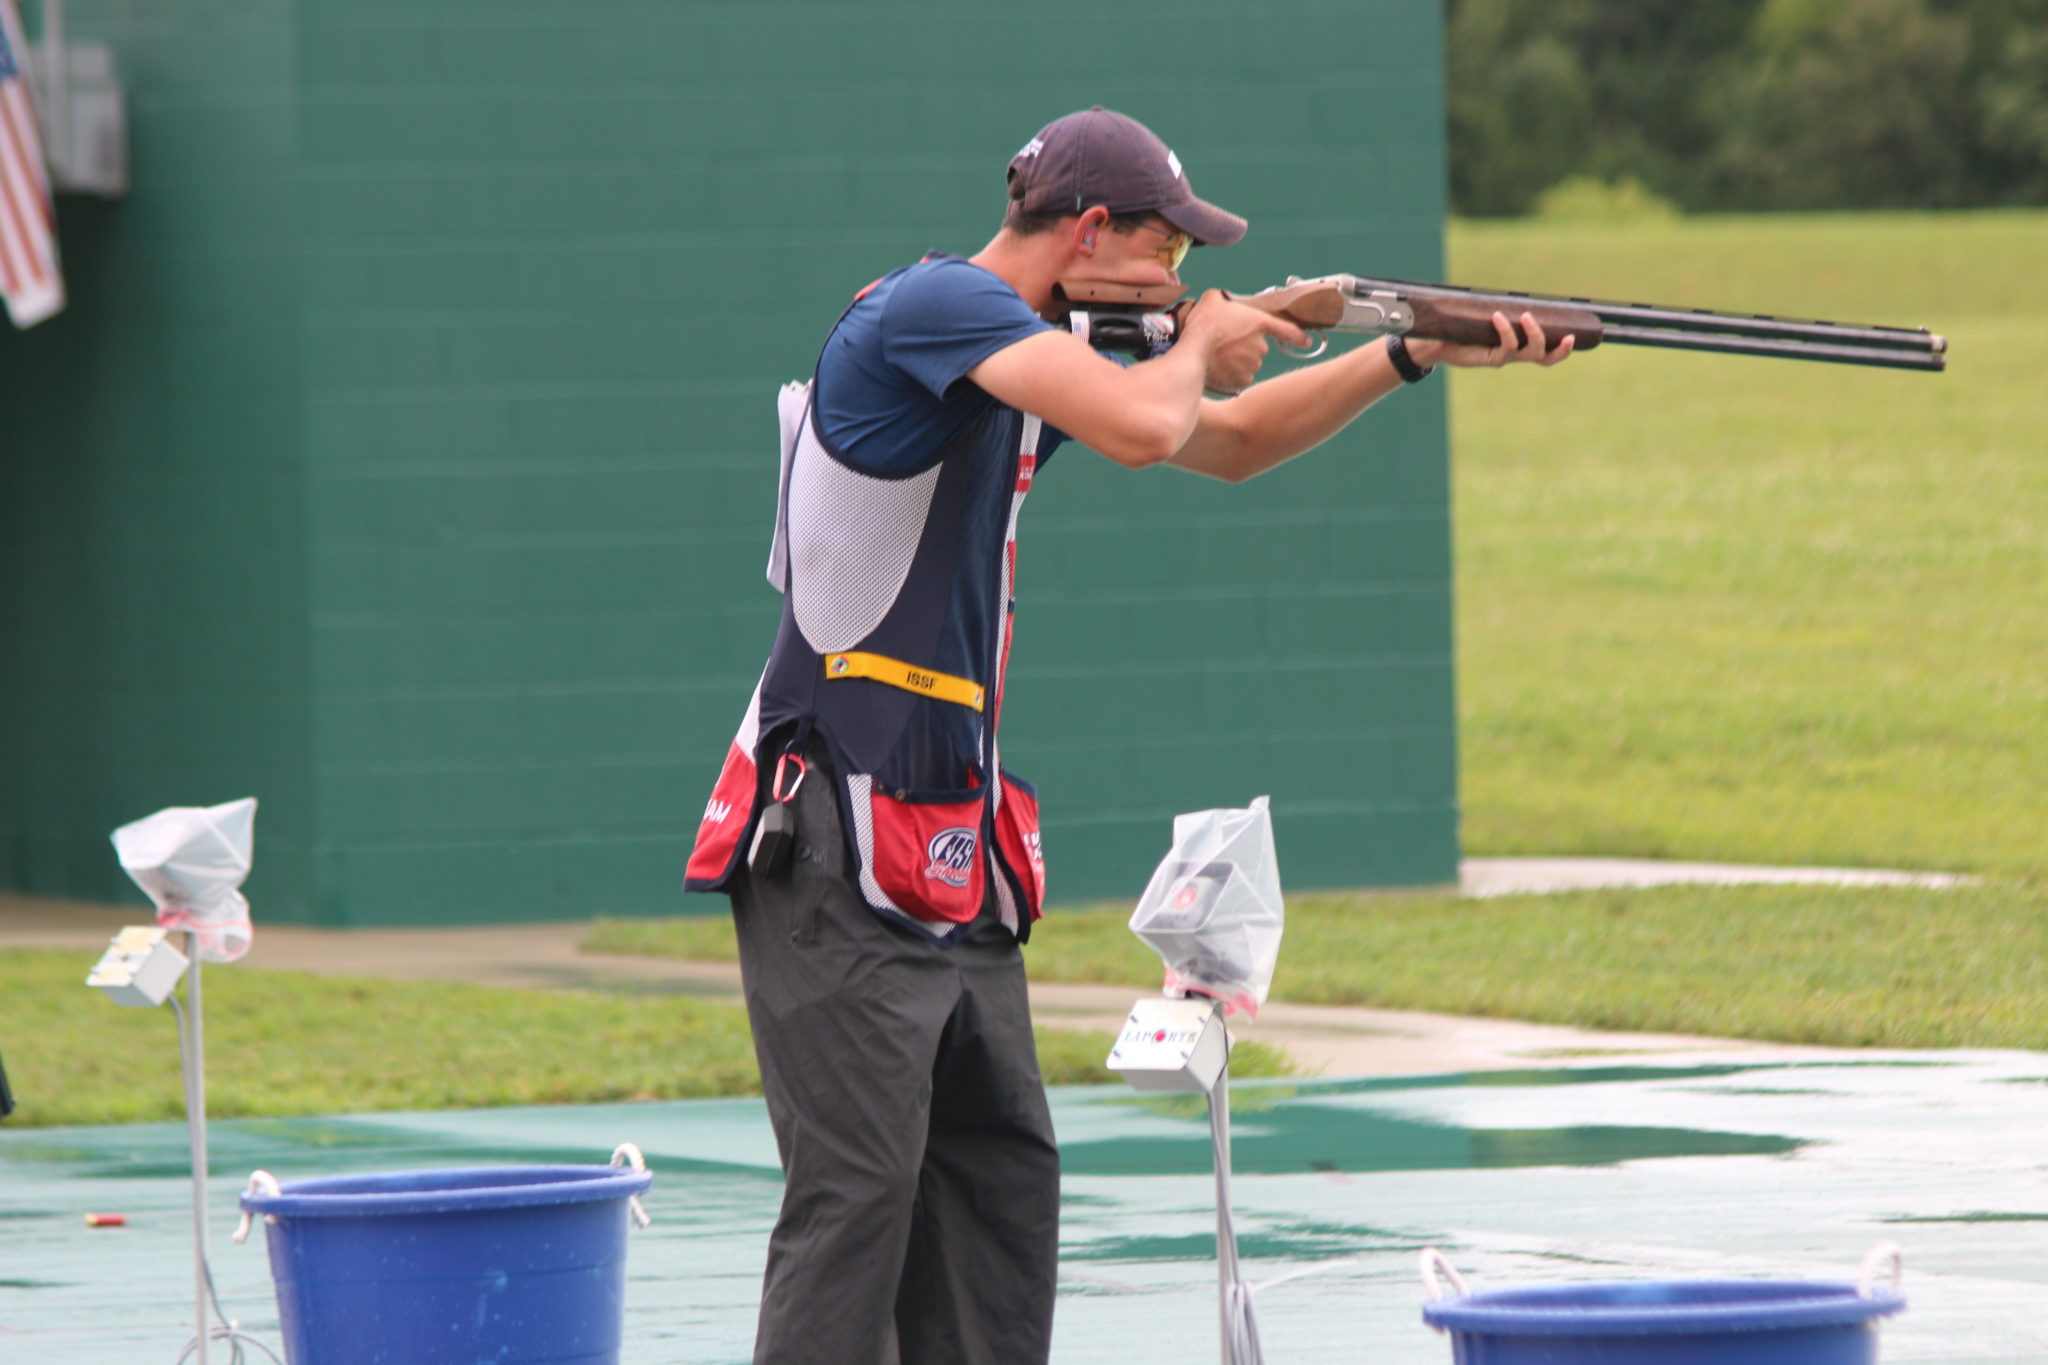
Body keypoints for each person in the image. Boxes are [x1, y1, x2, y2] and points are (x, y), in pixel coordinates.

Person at [682, 106, 1571, 1365]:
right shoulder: (933, 309)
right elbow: (1152, 428)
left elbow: (1239, 445)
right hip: (830, 841)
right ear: (1087, 233)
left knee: (998, 1195)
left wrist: (1406, 355)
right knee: (858, 1206)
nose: (1178, 281)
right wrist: (1200, 342)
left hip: (950, 851)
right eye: (1163, 253)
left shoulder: (1019, 361)